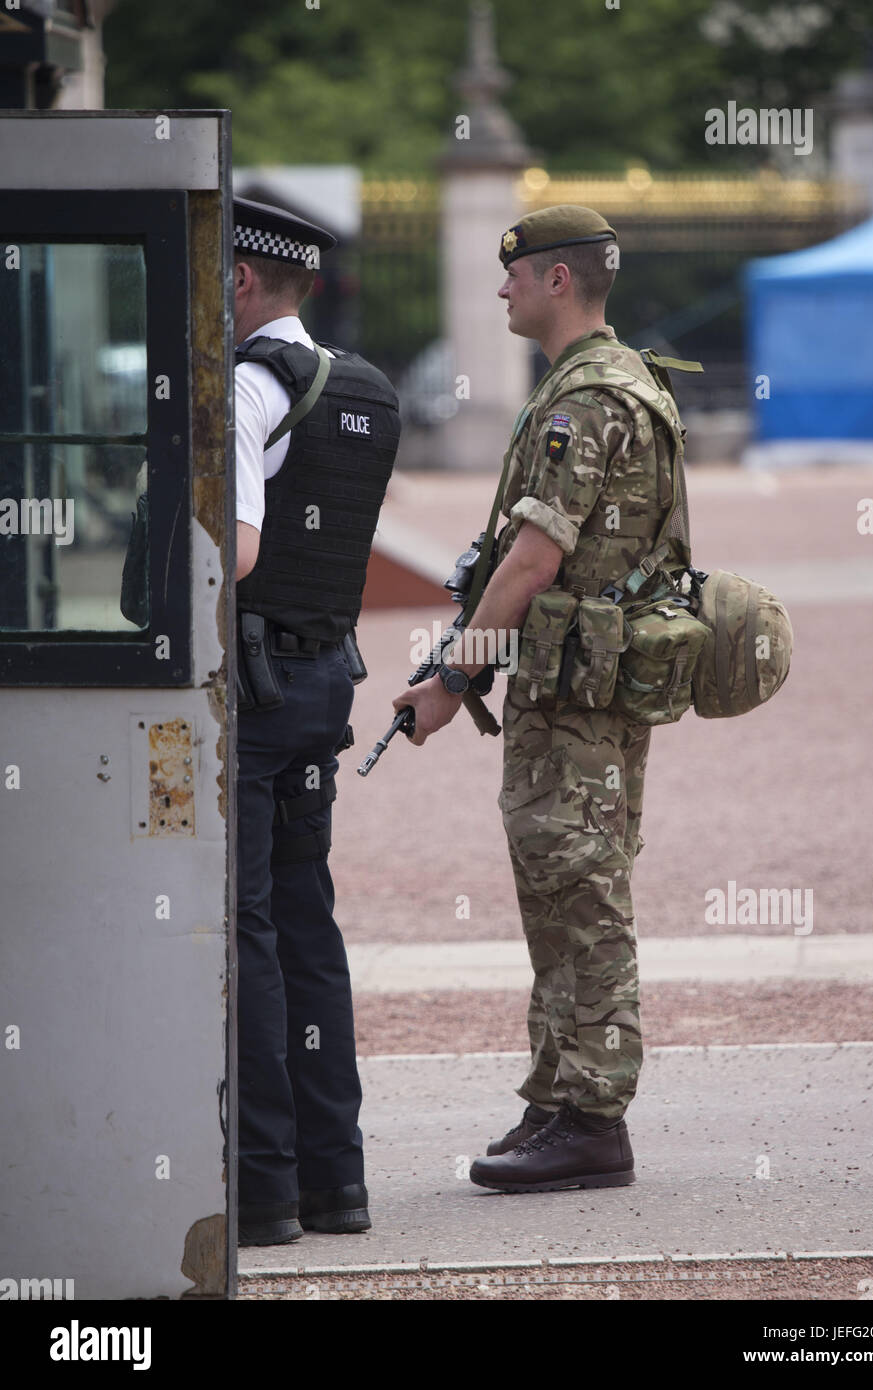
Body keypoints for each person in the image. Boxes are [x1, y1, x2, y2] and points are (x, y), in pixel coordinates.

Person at [392, 205, 690, 1193]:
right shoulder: (611, 382)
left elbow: (530, 558)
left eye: (513, 275)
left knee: (581, 888)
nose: (500, 291)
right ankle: (562, 1095)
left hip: (576, 691)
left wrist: (449, 678)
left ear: (557, 282)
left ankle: (593, 1119)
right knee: (565, 883)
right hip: (582, 684)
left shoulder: (584, 403)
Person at [234, 198, 400, 1243]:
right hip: (321, 688)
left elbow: (238, 555)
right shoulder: (365, 390)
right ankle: (336, 1179)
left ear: (243, 283)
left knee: (242, 928)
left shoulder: (251, 387)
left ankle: (261, 1187)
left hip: (246, 699)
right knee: (305, 923)